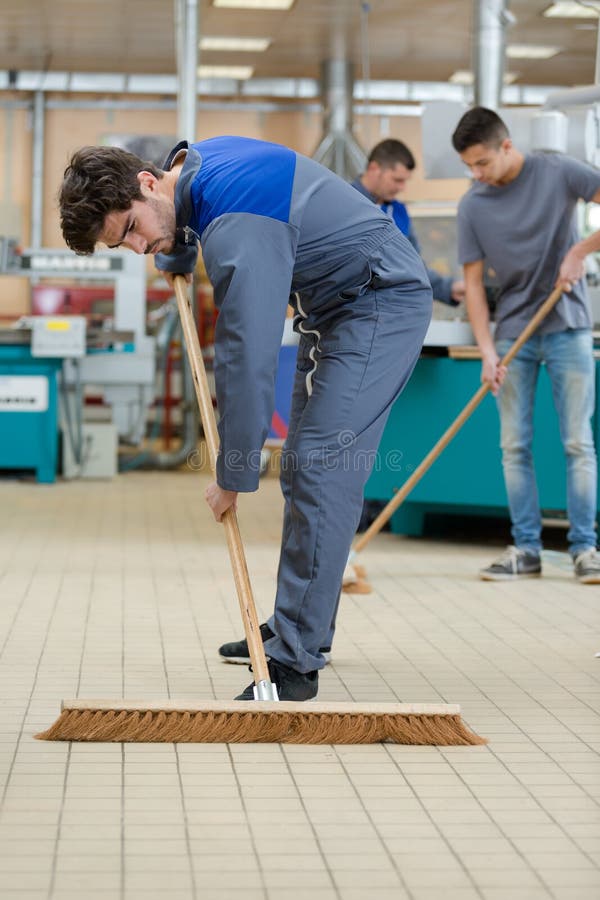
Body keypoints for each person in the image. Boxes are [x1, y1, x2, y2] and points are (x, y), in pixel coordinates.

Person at [59, 136, 433, 699]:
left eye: (132, 229)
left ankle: (294, 663)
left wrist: (232, 473)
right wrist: (173, 249)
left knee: (320, 466)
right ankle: (296, 627)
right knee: (306, 469)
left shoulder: (237, 222)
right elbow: (181, 218)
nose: (138, 248)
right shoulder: (191, 172)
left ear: (146, 182)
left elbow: (247, 356)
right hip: (333, 308)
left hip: (380, 302)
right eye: (124, 244)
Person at [451, 106, 600, 584]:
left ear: (507, 146)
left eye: (482, 163)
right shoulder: (472, 206)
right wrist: (487, 350)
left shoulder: (558, 172)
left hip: (568, 326)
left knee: (577, 441)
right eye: (469, 166)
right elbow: (474, 286)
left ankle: (585, 549)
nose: (477, 174)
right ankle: (526, 548)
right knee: (514, 445)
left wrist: (579, 251)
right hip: (513, 332)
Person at [351, 139, 465, 305]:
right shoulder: (346, 204)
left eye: (405, 181)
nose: (402, 188)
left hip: (391, 308)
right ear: (374, 169)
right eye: (397, 180)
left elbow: (412, 265)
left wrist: (448, 288)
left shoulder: (399, 211)